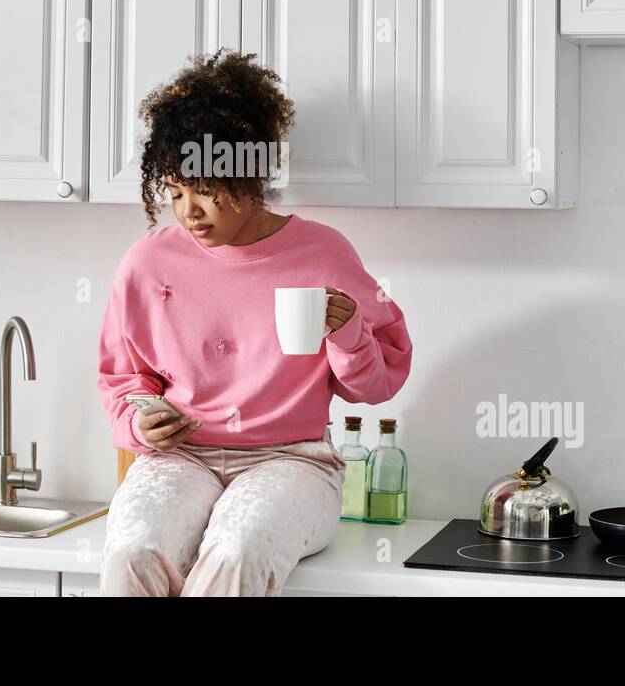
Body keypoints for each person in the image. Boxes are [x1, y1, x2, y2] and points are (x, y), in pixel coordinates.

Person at [95, 49, 414, 596]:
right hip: (180, 457)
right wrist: (135, 423)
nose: (189, 211)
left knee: (236, 550)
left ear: (249, 174)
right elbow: (123, 378)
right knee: (132, 551)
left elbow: (379, 384)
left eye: (206, 189)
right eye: (175, 192)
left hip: (293, 461)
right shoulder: (148, 262)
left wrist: (349, 333)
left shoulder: (324, 254)